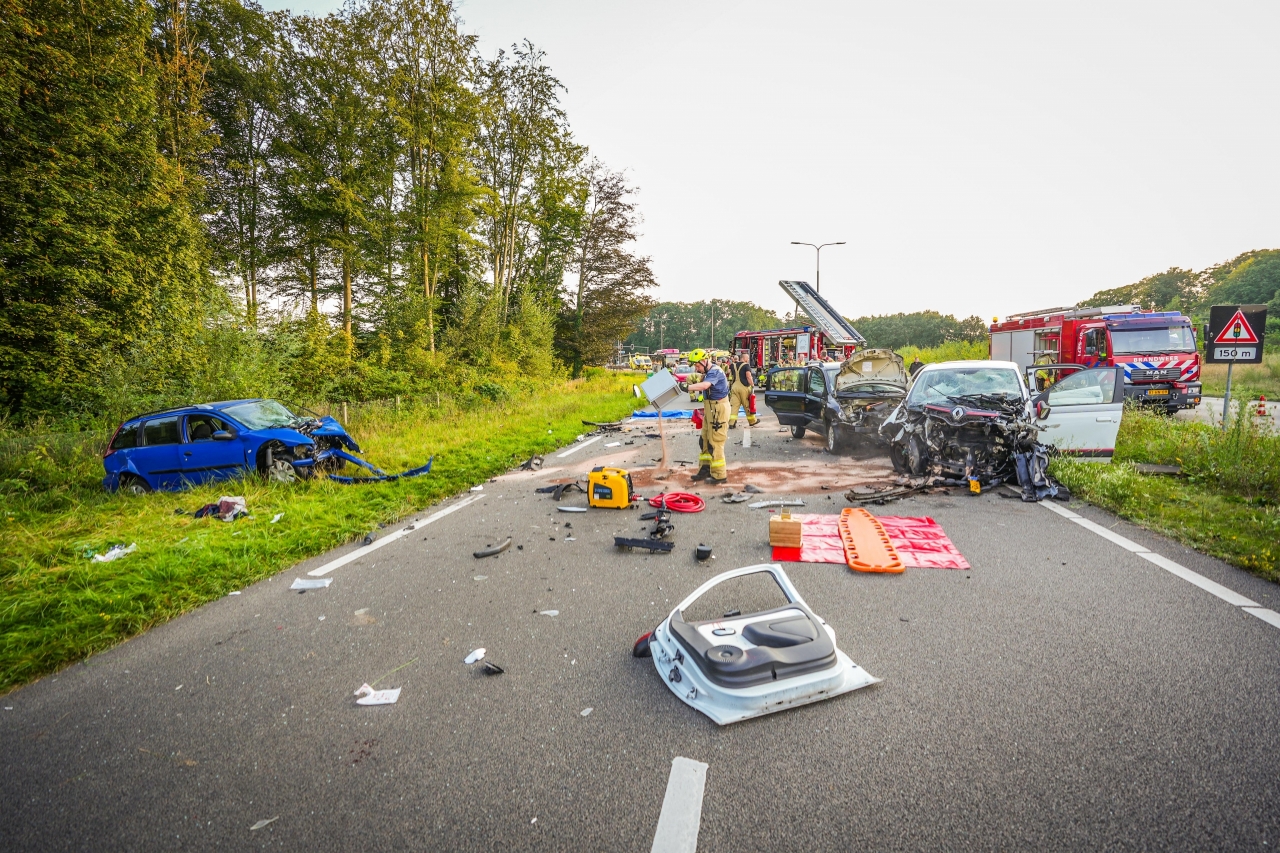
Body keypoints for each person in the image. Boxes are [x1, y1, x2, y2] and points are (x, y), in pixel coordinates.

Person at [685, 348, 730, 484]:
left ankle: (719, 475)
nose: (696, 369)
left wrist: (687, 387)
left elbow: (705, 386)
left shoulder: (715, 371)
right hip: (710, 410)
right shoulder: (708, 372)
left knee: (715, 443)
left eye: (697, 365)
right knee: (704, 440)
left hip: (718, 410)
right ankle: (705, 470)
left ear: (704, 361)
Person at [727, 351, 758, 428]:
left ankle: (731, 423)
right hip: (743, 388)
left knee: (734, 406)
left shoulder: (732, 365)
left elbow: (728, 372)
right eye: (748, 358)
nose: (748, 359)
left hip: (734, 387)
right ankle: (752, 421)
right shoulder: (746, 366)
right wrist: (752, 385)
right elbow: (748, 376)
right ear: (744, 358)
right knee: (747, 405)